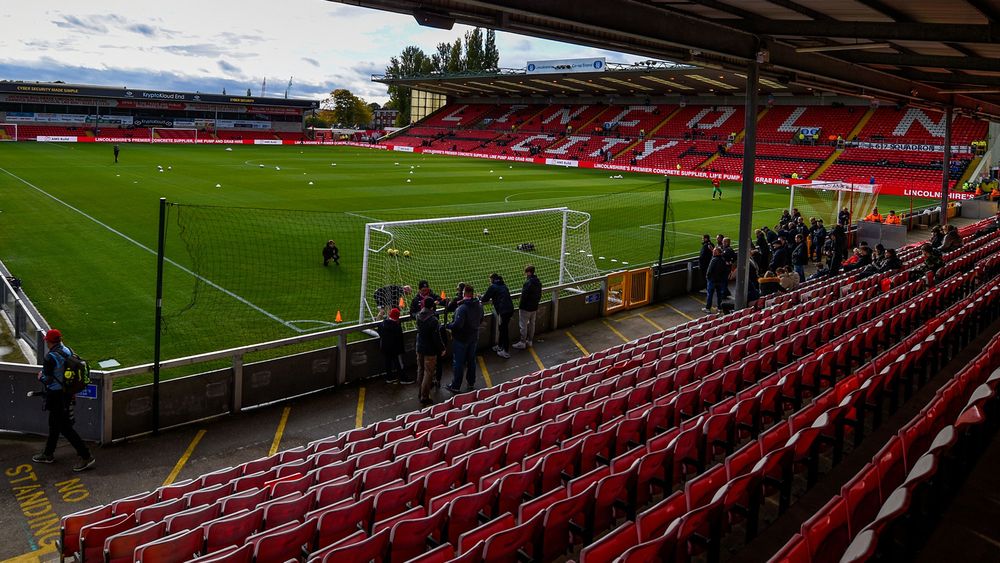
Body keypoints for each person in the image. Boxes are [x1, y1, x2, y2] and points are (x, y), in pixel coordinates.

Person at [32, 329, 95, 472]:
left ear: (49, 341)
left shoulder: (50, 357)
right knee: (54, 424)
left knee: (65, 428)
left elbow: (47, 379)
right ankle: (48, 454)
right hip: (66, 393)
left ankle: (86, 456)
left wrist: (40, 376)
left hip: (56, 396)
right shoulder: (67, 350)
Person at [446, 285, 483, 393]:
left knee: (458, 363)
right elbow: (481, 319)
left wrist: (448, 326)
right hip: (474, 337)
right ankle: (471, 382)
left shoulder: (462, 308)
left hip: (461, 339)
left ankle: (456, 386)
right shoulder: (479, 305)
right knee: (471, 361)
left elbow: (458, 325)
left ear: (464, 293)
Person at [415, 298, 446, 404]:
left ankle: (420, 392)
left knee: (420, 370)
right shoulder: (433, 320)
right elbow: (436, 338)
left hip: (419, 347)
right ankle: (424, 396)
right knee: (428, 373)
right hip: (429, 350)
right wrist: (442, 348)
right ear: (432, 307)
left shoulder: (418, 316)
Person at [480, 273, 514, 359]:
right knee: (502, 328)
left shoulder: (493, 287)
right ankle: (500, 346)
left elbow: (485, 298)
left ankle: (505, 351)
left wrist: (480, 297)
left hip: (503, 311)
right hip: (509, 309)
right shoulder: (503, 285)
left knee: (503, 330)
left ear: (492, 279)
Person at [513, 265, 542, 350]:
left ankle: (522, 342)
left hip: (526, 308)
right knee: (532, 324)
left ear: (529, 272)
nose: (525, 274)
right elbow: (539, 294)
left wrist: (521, 305)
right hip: (534, 306)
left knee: (523, 325)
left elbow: (524, 296)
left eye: (526, 272)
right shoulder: (538, 281)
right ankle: (530, 341)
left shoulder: (528, 283)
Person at [375, 308, 407, 383]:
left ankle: (389, 378)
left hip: (385, 348)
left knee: (388, 362)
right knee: (399, 363)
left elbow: (379, 331)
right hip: (395, 349)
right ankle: (403, 378)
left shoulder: (382, 323)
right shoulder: (396, 326)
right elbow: (399, 339)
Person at [704, 247, 729, 313]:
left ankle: (707, 308)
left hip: (712, 280)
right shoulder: (723, 260)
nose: (713, 252)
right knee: (719, 295)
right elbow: (725, 271)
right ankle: (719, 308)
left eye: (715, 251)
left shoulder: (714, 259)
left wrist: (707, 277)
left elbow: (709, 270)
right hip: (719, 281)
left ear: (717, 252)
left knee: (710, 295)